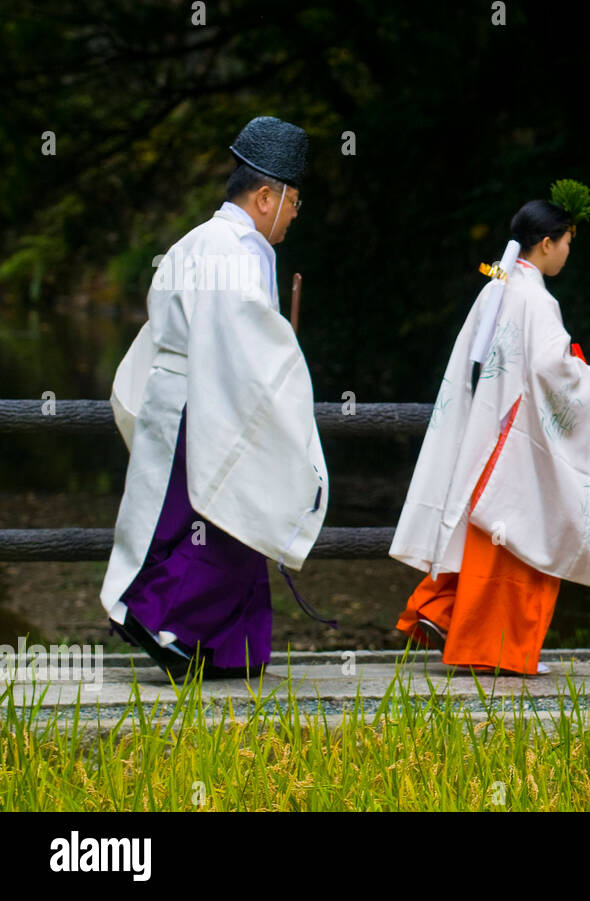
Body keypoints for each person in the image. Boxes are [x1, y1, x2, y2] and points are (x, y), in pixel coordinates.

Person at [100, 116, 329, 680]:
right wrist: (282, 368)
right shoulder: (235, 249)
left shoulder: (200, 239)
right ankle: (160, 620)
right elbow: (241, 333)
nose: (295, 214)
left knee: (205, 516)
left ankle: (227, 648)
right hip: (204, 397)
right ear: (266, 195)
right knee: (222, 517)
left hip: (176, 392)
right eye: (293, 202)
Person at [390, 181, 590, 676]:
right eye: (568, 242)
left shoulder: (497, 286)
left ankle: (448, 616)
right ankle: (495, 646)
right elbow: (555, 372)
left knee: (481, 530)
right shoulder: (535, 299)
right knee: (520, 534)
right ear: (547, 242)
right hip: (514, 441)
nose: (569, 252)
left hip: (486, 430)